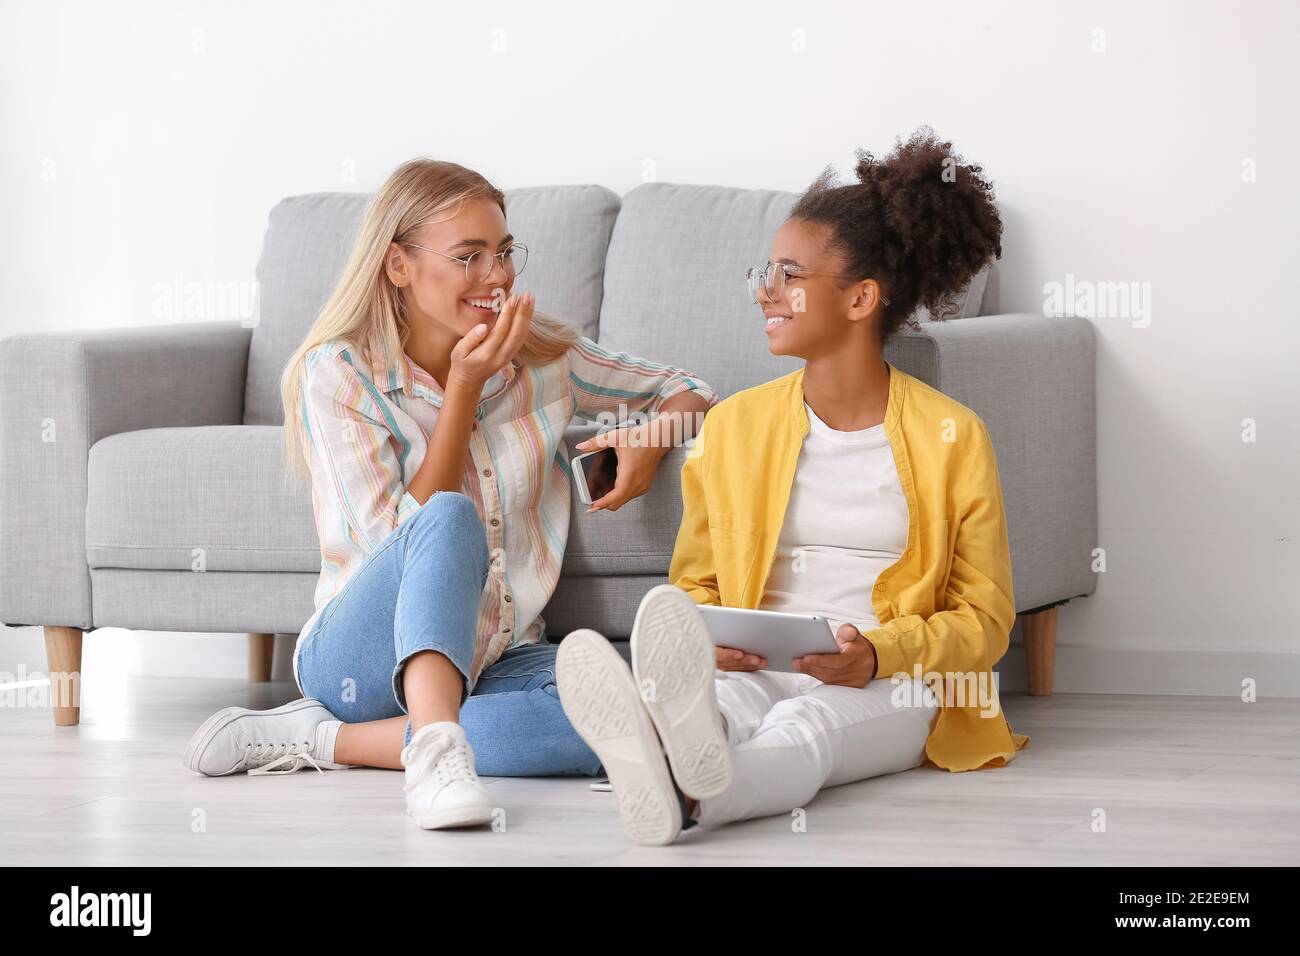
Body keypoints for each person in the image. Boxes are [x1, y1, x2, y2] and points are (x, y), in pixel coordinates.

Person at [182, 158, 720, 832]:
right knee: (448, 517)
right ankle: (435, 757)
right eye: (469, 257)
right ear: (399, 266)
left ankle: (323, 741)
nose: (496, 276)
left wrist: (651, 436)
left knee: (628, 716)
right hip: (362, 654)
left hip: (496, 655)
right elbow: (398, 548)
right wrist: (463, 390)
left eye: (503, 253)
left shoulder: (546, 357)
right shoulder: (341, 374)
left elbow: (686, 384)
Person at [556, 127, 1030, 846]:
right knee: (724, 708)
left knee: (804, 726)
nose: (764, 292)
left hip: (891, 682)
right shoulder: (735, 426)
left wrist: (877, 654)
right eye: (764, 272)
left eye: (789, 275)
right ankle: (668, 739)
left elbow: (986, 623)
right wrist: (712, 641)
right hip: (760, 667)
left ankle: (683, 798)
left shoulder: (952, 436)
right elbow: (698, 585)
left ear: (861, 297)